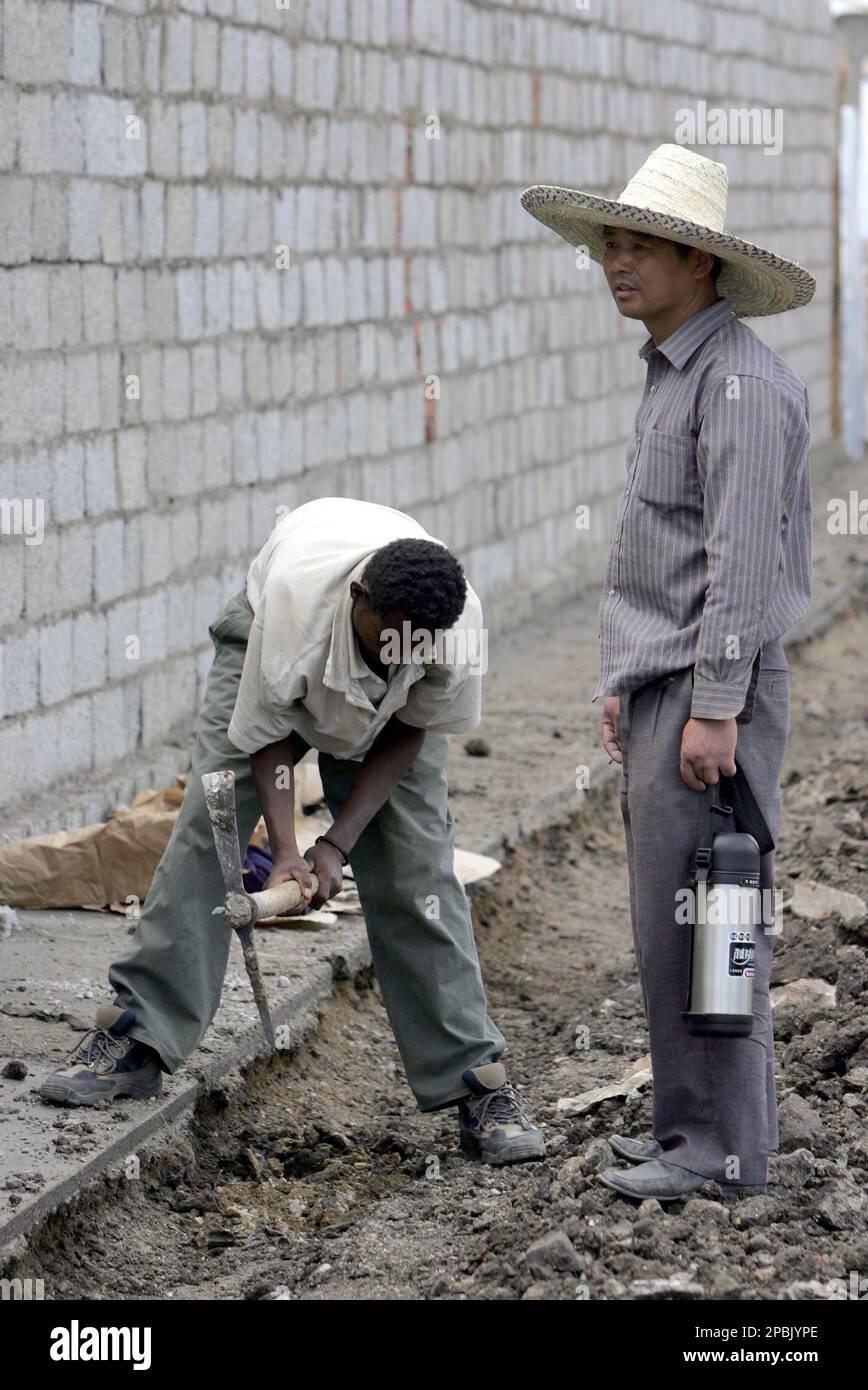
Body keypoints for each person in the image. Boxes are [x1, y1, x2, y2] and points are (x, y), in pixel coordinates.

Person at [41, 497, 545, 1167]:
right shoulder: (294, 612)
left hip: (385, 713)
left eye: (411, 653)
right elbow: (266, 736)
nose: (398, 662)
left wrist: (337, 844)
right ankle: (137, 1038)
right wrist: (284, 853)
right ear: (361, 599)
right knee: (209, 830)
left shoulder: (452, 628)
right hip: (268, 643)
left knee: (417, 866)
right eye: (385, 642)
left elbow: (410, 726)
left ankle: (476, 1083)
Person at [522, 143, 815, 1200]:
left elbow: (741, 566)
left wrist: (713, 708)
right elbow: (666, 554)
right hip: (668, 689)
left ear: (701, 263)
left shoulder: (736, 384)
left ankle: (726, 1153)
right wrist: (623, 678)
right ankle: (684, 1131)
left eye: (641, 244)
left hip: (708, 700)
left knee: (717, 918)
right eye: (611, 241)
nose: (617, 261)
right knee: (668, 924)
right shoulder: (676, 375)